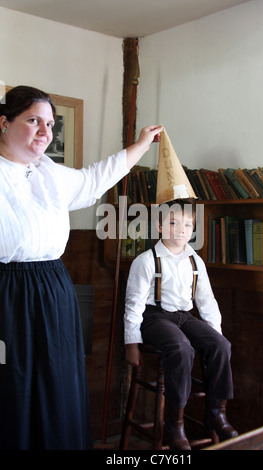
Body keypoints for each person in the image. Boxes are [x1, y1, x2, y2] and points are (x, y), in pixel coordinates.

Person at [0, 84, 163, 450]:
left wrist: (139, 146)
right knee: (14, 382)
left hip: (55, 289)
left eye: (51, 124)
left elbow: (95, 178)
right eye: (33, 121)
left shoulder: (50, 174)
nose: (46, 132)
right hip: (7, 295)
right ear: (4, 123)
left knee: (58, 381)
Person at [124, 198, 238, 450]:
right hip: (154, 317)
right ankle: (174, 424)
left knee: (221, 345)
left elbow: (206, 301)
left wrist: (213, 336)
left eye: (188, 225)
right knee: (181, 347)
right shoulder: (146, 261)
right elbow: (133, 304)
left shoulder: (195, 261)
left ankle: (217, 413)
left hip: (185, 317)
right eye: (173, 222)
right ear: (160, 226)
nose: (181, 229)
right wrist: (131, 342)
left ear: (193, 229)